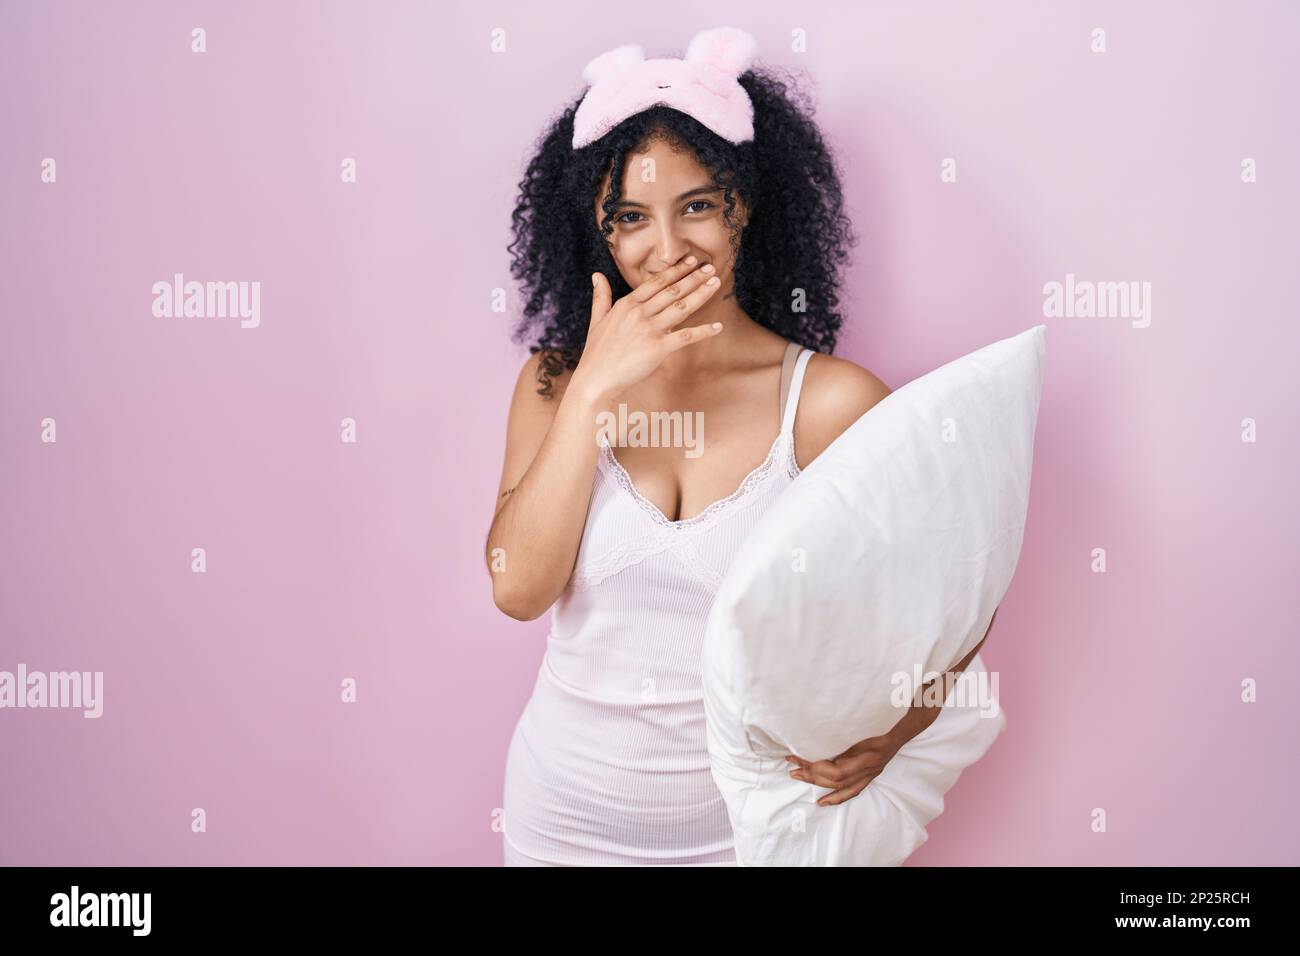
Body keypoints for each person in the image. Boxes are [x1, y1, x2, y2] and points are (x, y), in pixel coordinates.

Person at [486, 27, 988, 866]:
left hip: (745, 834)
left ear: (743, 206)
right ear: (601, 234)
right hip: (559, 821)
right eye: (631, 218)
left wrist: (907, 721)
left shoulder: (825, 404)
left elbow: (963, 579)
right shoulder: (555, 383)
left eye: (697, 206)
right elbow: (518, 589)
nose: (667, 249)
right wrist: (593, 392)